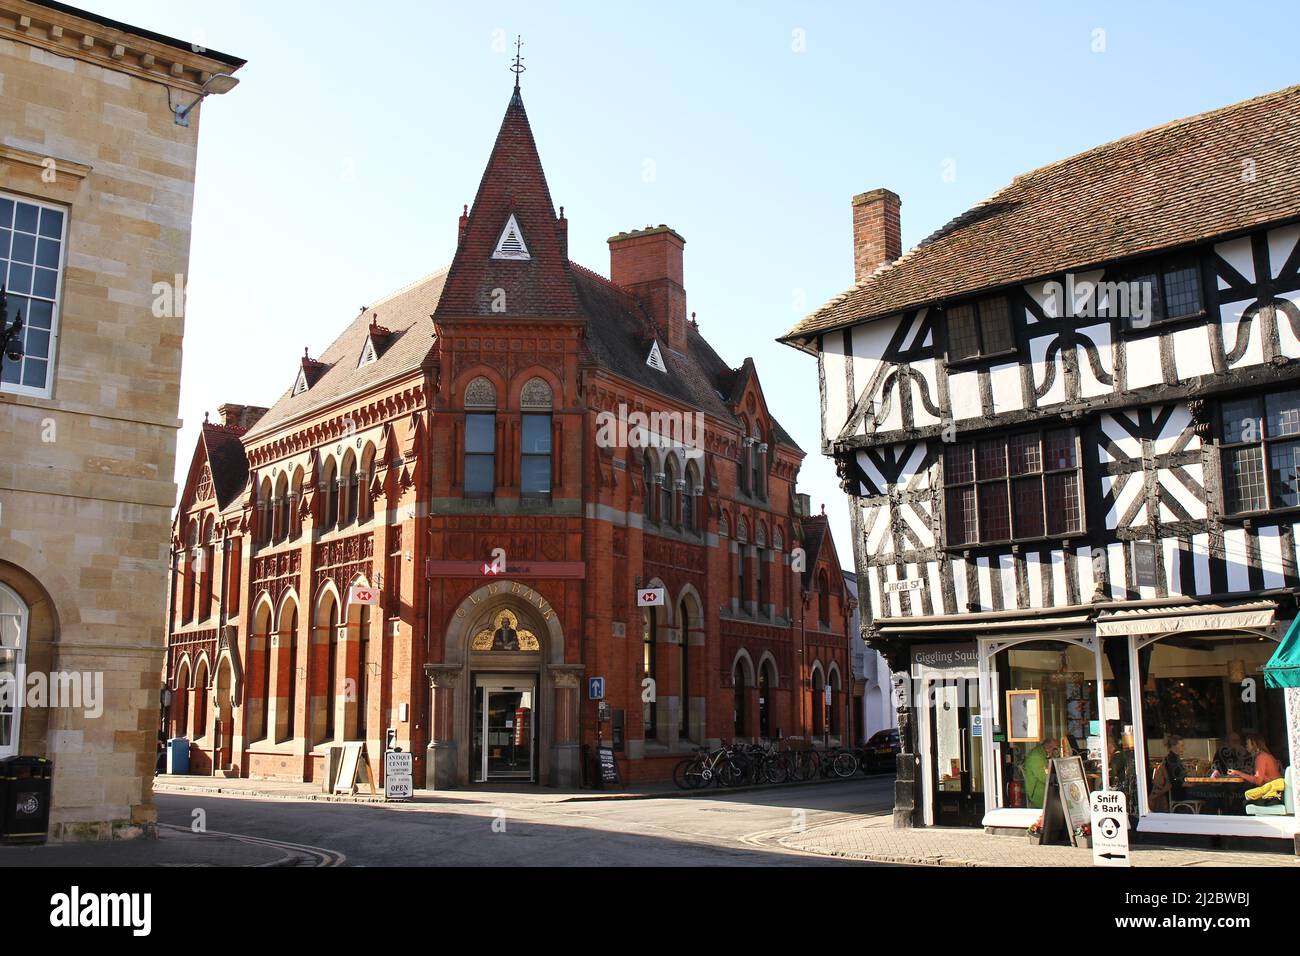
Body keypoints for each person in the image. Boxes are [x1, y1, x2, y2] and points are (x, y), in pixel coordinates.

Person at [1149, 735, 1187, 812]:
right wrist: (1193, 784)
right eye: (1181, 746)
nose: (1183, 748)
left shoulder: (1172, 759)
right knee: (1210, 793)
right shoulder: (1172, 761)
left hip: (1179, 791)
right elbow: (1176, 781)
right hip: (1179, 793)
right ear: (1173, 747)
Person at [1022, 738, 1060, 808]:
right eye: (1055, 749)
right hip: (1039, 793)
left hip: (1047, 790)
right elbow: (1045, 778)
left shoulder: (1044, 754)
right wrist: (1059, 780)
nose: (1056, 752)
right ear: (1049, 747)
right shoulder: (1036, 756)